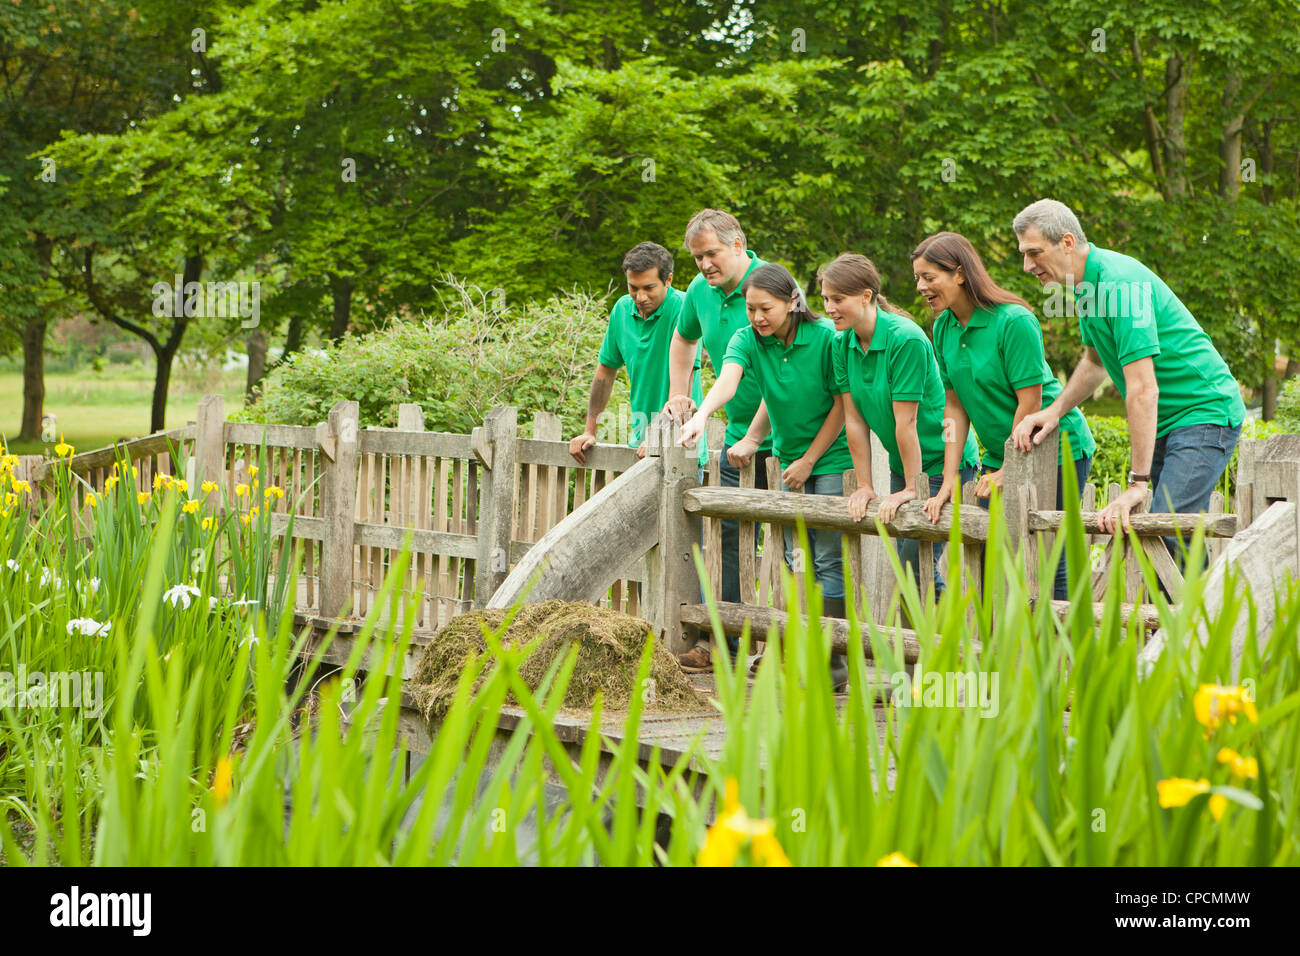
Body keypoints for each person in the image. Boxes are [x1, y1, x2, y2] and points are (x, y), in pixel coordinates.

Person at [1008, 200, 1245, 564]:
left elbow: (1143, 390)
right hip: (1168, 421)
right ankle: (1191, 619)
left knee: (1165, 531)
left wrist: (1137, 484)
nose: (1027, 266)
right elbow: (1095, 362)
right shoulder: (1087, 286)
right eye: (1024, 254)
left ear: (1067, 242)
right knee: (1163, 535)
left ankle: (1203, 619)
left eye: (1034, 253)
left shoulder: (1119, 285)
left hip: (1203, 412)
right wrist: (1054, 411)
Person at [680, 262, 854, 688]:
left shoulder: (826, 339)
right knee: (798, 559)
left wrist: (811, 459)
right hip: (789, 460)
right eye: (750, 308)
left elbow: (841, 405)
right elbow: (729, 380)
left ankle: (831, 666)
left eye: (766, 309)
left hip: (831, 459)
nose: (757, 317)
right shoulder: (749, 340)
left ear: (793, 301)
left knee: (828, 557)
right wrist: (703, 414)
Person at [911, 232, 1096, 601]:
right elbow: (955, 408)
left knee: (1050, 558)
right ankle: (1003, 653)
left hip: (1056, 449)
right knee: (992, 555)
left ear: (960, 274)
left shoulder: (1014, 321)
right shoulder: (943, 328)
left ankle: (1062, 656)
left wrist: (1010, 472)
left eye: (929, 277)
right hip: (1001, 456)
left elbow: (1029, 403)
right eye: (918, 278)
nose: (920, 287)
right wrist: (950, 477)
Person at [820, 253, 979, 600]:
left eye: (838, 299)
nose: (830, 308)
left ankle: (939, 642)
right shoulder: (840, 343)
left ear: (866, 296)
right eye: (825, 299)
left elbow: (906, 422)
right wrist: (864, 485)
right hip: (902, 464)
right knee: (909, 566)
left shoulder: (904, 339)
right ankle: (926, 646)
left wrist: (911, 487)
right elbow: (854, 420)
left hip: (941, 461)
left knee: (915, 563)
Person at [663, 210, 772, 672]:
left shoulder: (770, 287)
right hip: (734, 437)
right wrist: (679, 391)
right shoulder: (697, 294)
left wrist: (755, 435)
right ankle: (719, 646)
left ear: (738, 244)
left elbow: (787, 376)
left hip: (785, 438)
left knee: (792, 547)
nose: (704, 264)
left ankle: (785, 649)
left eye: (711, 254)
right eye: (697, 257)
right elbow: (684, 339)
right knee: (724, 538)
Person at [569, 242, 701, 463]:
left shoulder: (684, 307)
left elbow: (686, 381)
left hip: (681, 447)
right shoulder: (621, 309)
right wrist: (590, 430)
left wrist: (659, 434)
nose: (640, 297)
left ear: (668, 280)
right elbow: (605, 373)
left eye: (648, 288)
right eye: (633, 288)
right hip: (640, 444)